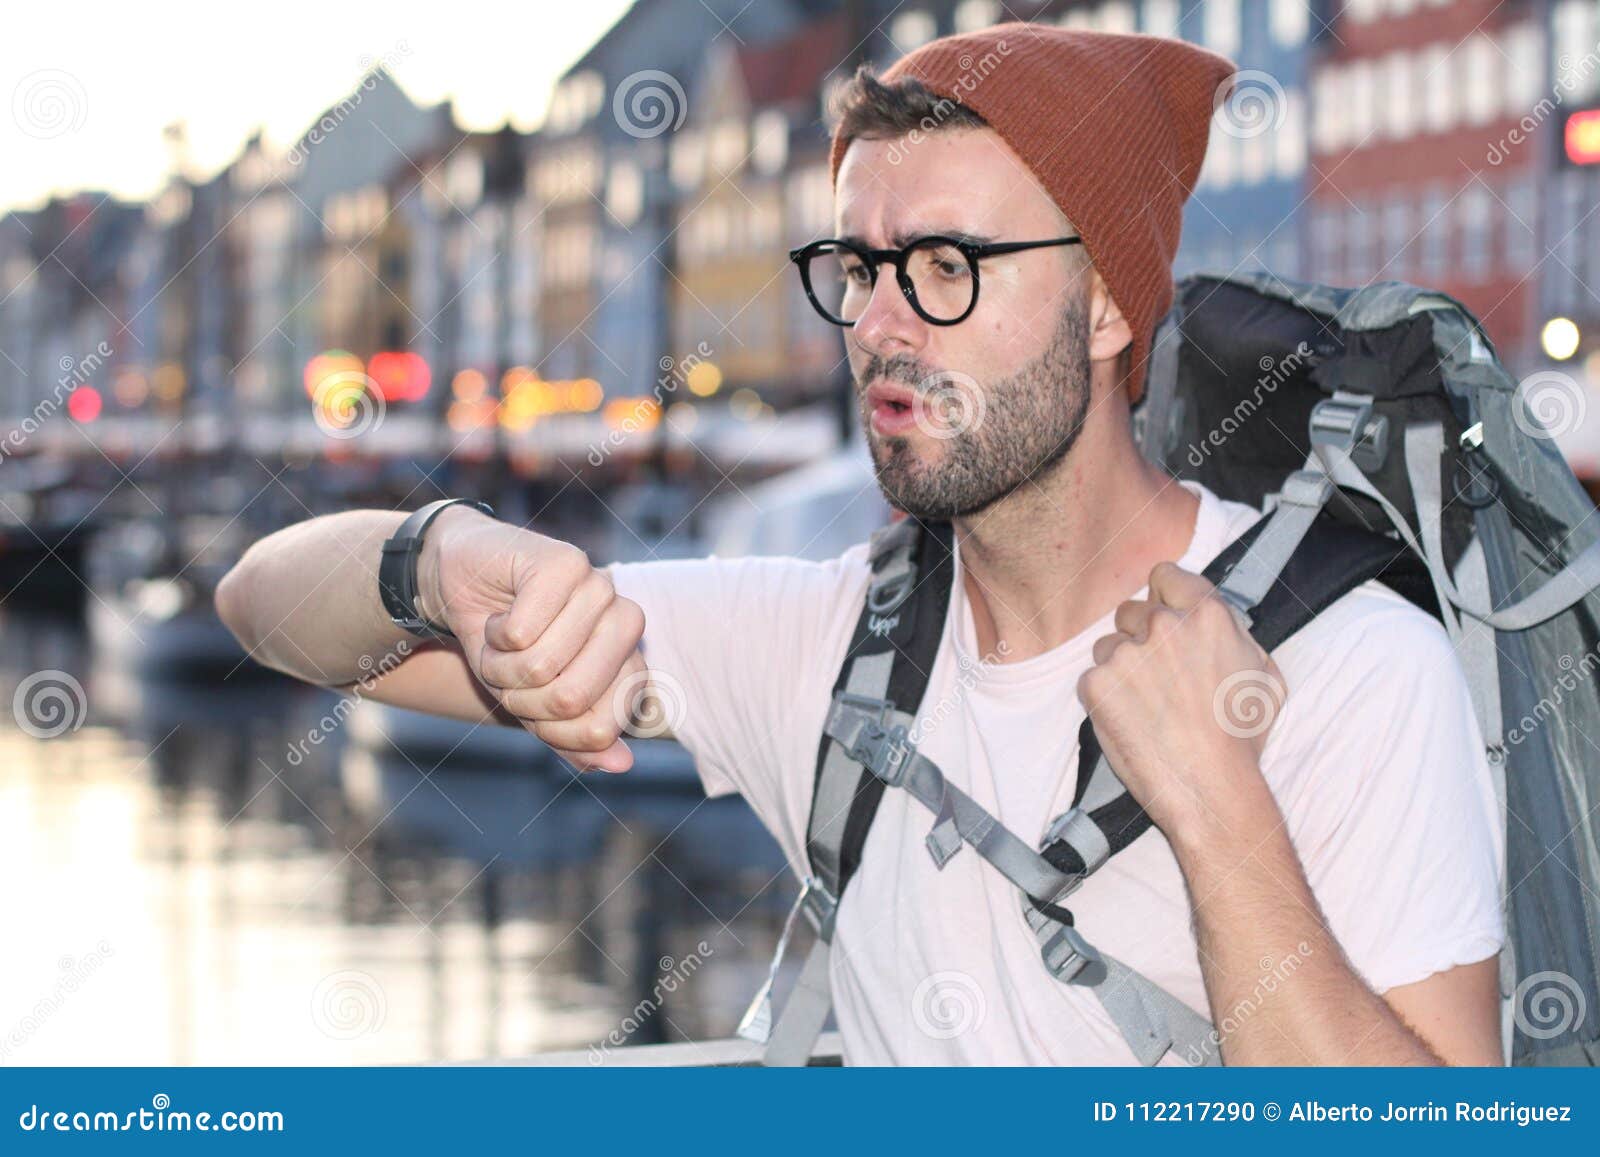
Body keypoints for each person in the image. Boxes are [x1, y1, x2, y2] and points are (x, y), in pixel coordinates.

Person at [217, 25, 1505, 1065]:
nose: (884, 325)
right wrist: (437, 558)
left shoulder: (1352, 666)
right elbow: (264, 606)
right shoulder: (829, 646)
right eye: (859, 266)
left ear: (1110, 304)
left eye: (946, 265)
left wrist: (1221, 806)